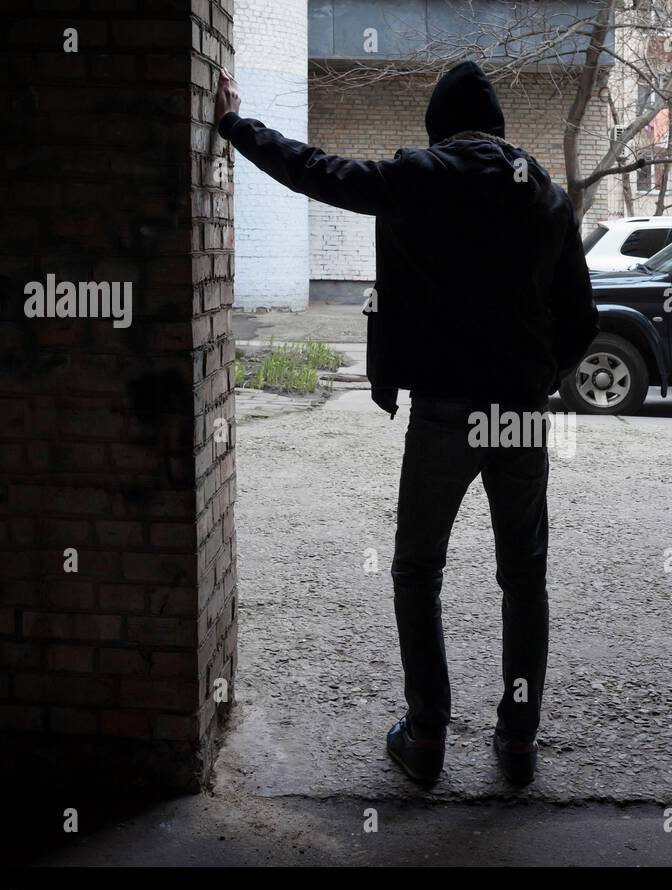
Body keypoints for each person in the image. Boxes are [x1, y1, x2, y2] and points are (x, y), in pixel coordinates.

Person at [215, 61, 598, 785]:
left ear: (439, 124)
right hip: (518, 411)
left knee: (418, 570)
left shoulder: (416, 176)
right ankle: (518, 743)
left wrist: (235, 124)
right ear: (498, 128)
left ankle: (426, 737)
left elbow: (313, 170)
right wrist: (538, 377)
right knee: (525, 578)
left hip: (446, 411)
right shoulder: (543, 192)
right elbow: (583, 319)